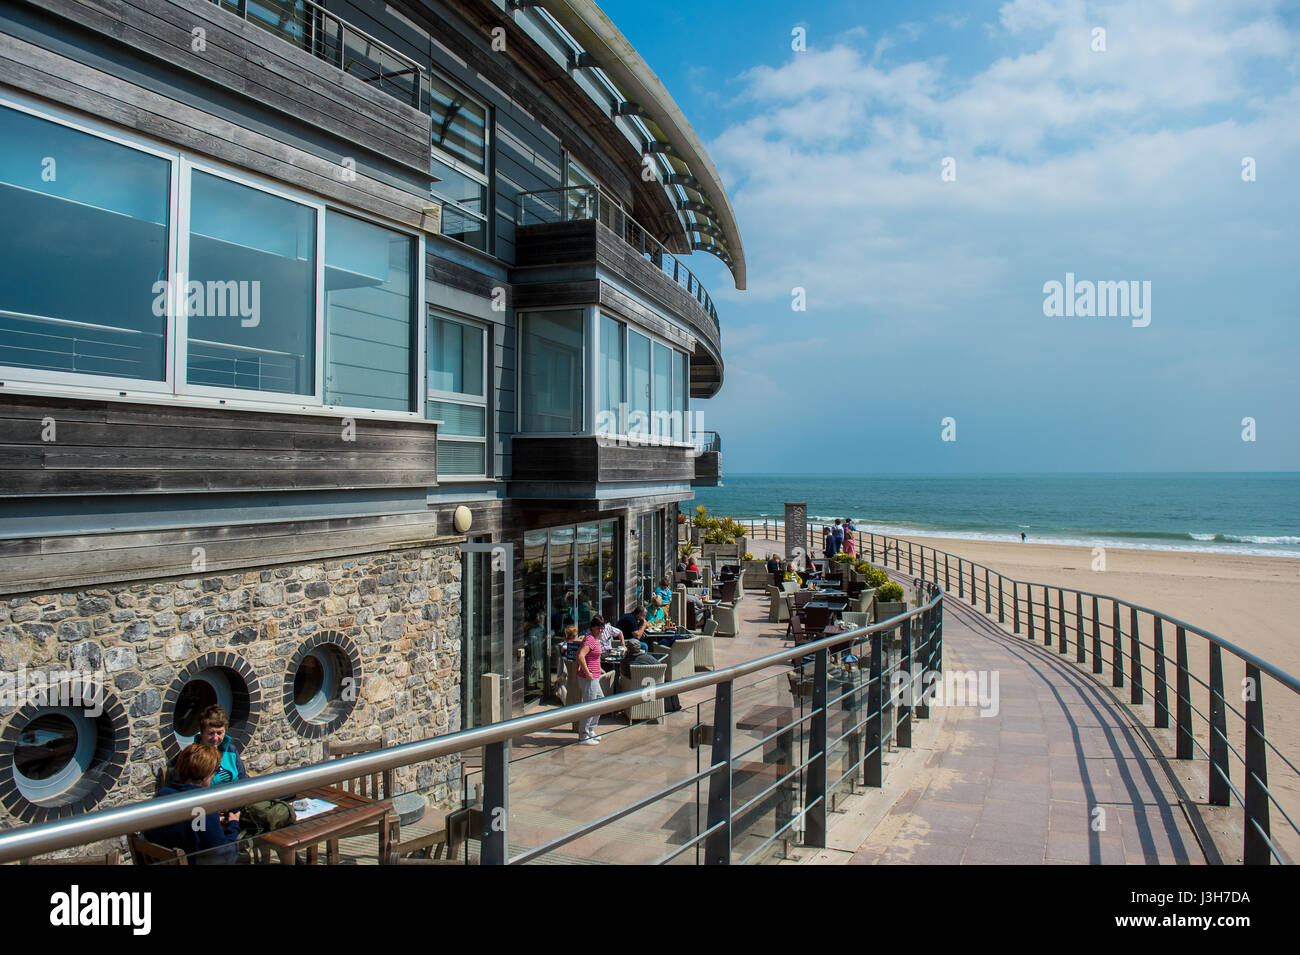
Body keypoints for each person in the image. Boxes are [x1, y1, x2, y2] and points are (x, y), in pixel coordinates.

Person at [145, 743, 242, 864]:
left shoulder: (163, 795)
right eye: (215, 770)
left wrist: (213, 820)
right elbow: (223, 854)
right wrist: (233, 825)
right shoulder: (203, 805)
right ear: (206, 774)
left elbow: (189, 828)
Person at [194, 704, 247, 786]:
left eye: (219, 733)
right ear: (202, 732)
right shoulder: (192, 755)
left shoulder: (231, 751)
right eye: (211, 733)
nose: (215, 738)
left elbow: (243, 779)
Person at [574, 619, 605, 744]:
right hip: (589, 678)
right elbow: (581, 655)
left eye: (602, 628)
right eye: (598, 628)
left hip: (595, 675)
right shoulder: (590, 639)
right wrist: (587, 673)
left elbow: (593, 656)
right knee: (590, 704)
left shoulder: (595, 639)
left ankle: (591, 729)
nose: (600, 631)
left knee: (600, 700)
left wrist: (600, 668)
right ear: (592, 628)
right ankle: (583, 734)